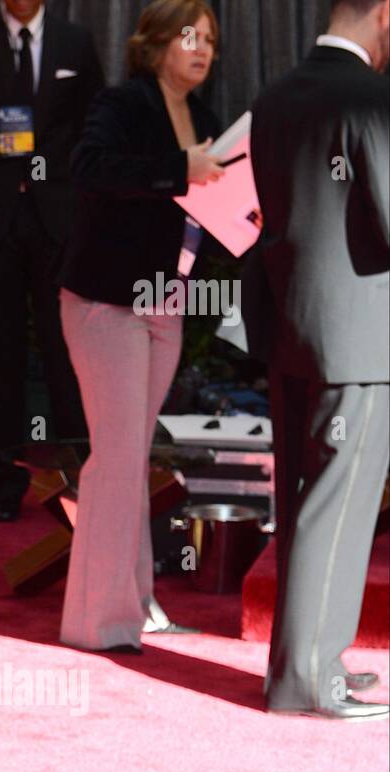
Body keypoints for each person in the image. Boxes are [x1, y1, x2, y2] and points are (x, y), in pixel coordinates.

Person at [55, 0, 225, 652]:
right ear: (154, 42)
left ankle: (138, 607)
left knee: (134, 456)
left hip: (166, 302)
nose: (203, 47)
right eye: (191, 34)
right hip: (106, 303)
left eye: (210, 38)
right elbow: (90, 168)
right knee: (118, 458)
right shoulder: (124, 103)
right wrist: (181, 169)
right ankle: (97, 622)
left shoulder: (206, 119)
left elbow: (200, 215)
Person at [244, 0, 390, 720]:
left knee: (304, 502)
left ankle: (307, 660)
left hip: (291, 329)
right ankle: (309, 678)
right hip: (358, 338)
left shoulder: (274, 96)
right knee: (337, 508)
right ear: (384, 15)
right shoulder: (371, 99)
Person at [0, 0, 105, 522]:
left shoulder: (75, 42)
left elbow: (95, 123)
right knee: (1, 355)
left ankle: (71, 480)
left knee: (65, 353)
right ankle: (6, 479)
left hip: (58, 222)